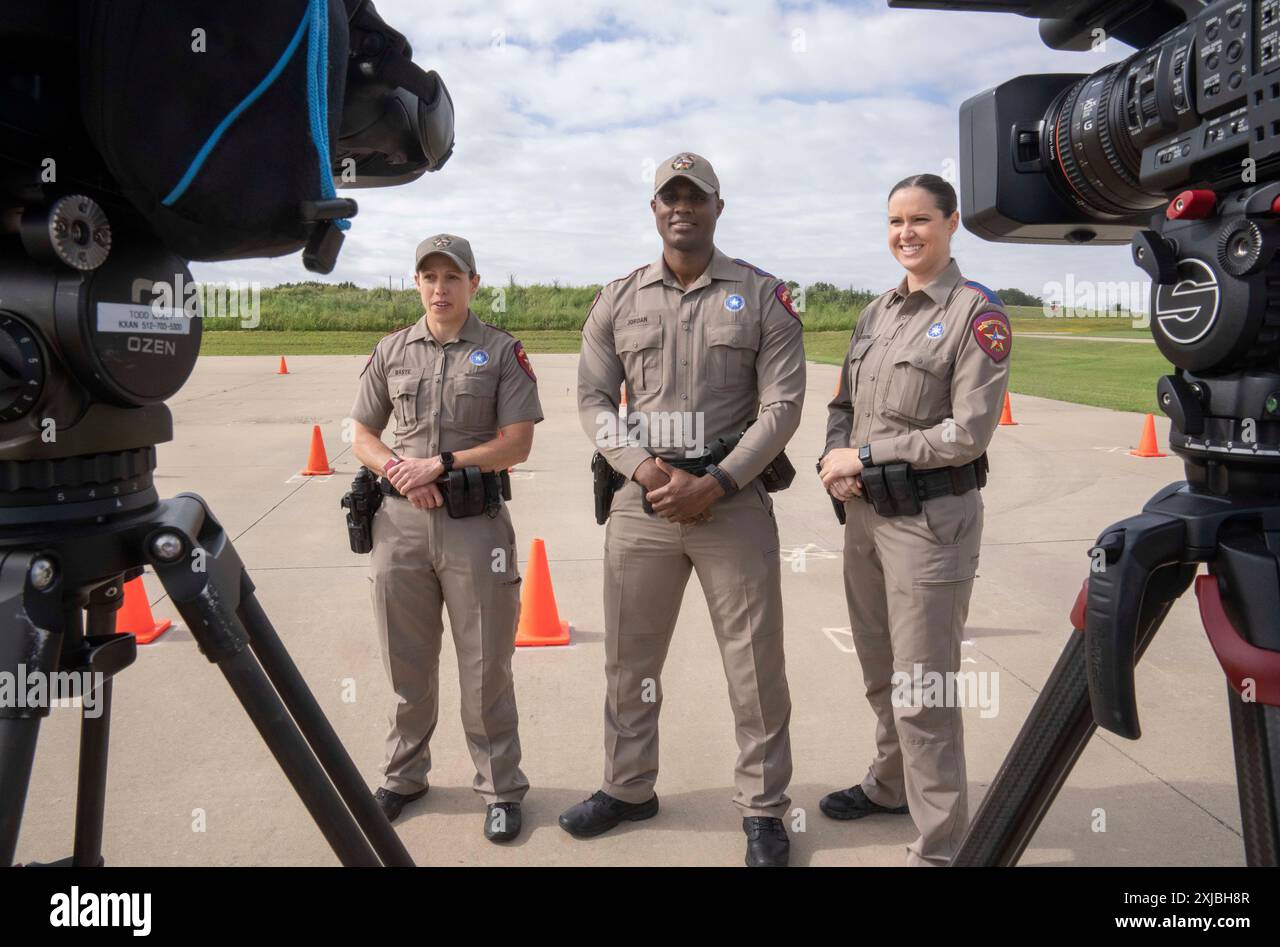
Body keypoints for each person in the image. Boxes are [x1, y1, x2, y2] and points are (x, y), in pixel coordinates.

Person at [564, 152, 807, 867]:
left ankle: (764, 808)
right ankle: (628, 787)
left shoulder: (764, 295)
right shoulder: (618, 299)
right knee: (630, 661)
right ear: (654, 210)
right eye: (670, 197)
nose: (682, 208)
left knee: (754, 666)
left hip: (730, 506)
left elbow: (783, 406)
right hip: (643, 507)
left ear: (716, 208)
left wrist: (719, 482)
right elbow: (591, 400)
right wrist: (640, 467)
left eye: (695, 197)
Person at [817, 173, 1012, 866]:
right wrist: (830, 455)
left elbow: (967, 434)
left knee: (922, 688)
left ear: (952, 222)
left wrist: (863, 455)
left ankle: (940, 846)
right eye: (895, 220)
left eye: (920, 219)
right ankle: (891, 784)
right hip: (867, 519)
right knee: (879, 672)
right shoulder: (875, 314)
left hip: (930, 526)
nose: (906, 232)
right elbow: (843, 403)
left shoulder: (974, 313)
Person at [349, 233, 543, 843]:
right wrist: (400, 471)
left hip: (472, 526)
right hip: (398, 527)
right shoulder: (390, 351)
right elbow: (360, 432)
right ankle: (404, 777)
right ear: (416, 284)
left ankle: (501, 789)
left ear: (473, 284)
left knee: (485, 666)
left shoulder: (503, 352)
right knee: (405, 664)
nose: (440, 288)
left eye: (452, 277)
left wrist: (445, 463)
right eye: (429, 277)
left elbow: (517, 442)